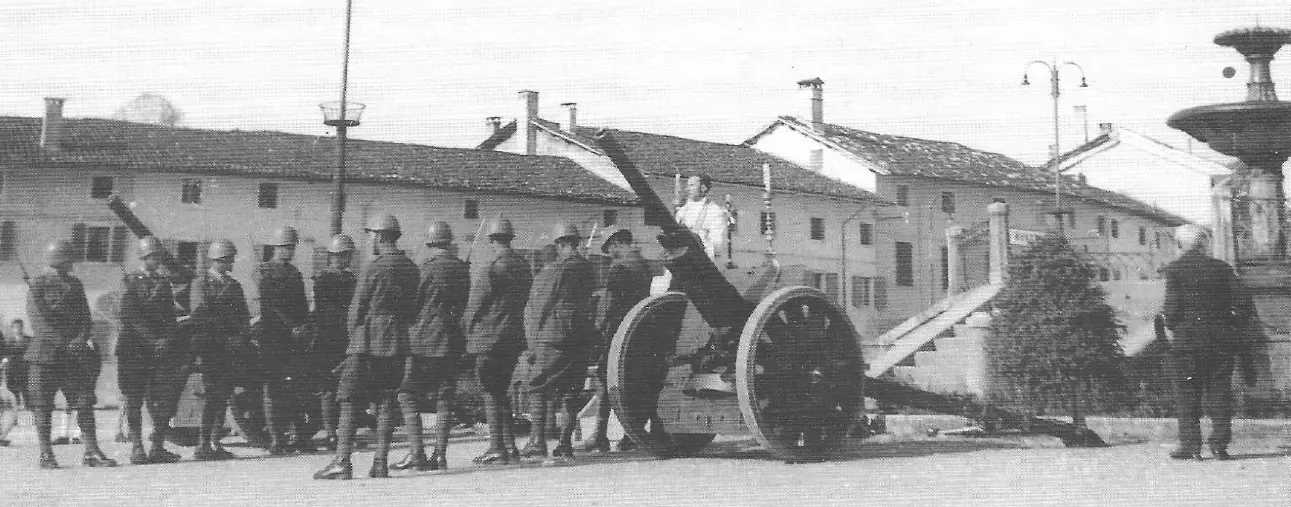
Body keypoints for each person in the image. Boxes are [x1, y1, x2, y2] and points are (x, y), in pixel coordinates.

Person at [314, 214, 420, 480]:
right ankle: (381, 463)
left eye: (372, 235)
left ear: (380, 236)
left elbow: (356, 310)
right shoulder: (410, 267)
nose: (370, 239)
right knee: (386, 401)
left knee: (349, 398)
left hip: (367, 341)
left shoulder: (375, 268)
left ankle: (342, 461)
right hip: (398, 342)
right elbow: (413, 308)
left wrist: (354, 339)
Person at [1161, 224, 1262, 460]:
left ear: (1179, 245)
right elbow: (1244, 303)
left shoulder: (1175, 270)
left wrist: (1173, 325)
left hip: (1187, 343)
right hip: (1220, 341)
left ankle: (1191, 446)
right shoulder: (1222, 268)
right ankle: (1219, 445)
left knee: (1186, 393)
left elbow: (1172, 310)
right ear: (1203, 244)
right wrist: (1230, 324)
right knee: (1219, 391)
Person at [26, 240, 116, 468]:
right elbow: (40, 324)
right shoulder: (37, 285)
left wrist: (80, 338)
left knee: (84, 402)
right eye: (68, 261)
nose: (71, 266)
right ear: (59, 260)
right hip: (45, 355)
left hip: (72, 355)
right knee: (43, 406)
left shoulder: (75, 285)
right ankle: (46, 454)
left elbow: (86, 317)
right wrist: (66, 343)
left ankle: (92, 451)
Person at [393, 221, 469, 472]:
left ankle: (417, 452)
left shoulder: (425, 269)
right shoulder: (461, 269)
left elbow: (413, 303)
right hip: (451, 339)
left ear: (429, 243)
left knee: (406, 394)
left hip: (423, 339)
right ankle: (440, 454)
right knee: (445, 396)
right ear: (449, 242)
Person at [518, 222, 596, 460]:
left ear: (561, 244)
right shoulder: (587, 268)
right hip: (581, 336)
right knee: (571, 389)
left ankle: (537, 440)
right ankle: (564, 443)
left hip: (555, 336)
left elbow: (539, 307)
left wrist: (532, 344)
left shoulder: (555, 270)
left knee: (537, 383)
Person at [464, 217, 532, 465]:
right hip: (513, 338)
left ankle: (495, 446)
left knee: (491, 393)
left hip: (489, 338)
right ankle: (510, 446)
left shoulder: (493, 267)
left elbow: (475, 305)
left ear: (492, 240)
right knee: (501, 391)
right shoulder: (523, 266)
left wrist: (466, 330)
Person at [118, 236, 188, 465]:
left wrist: (166, 338)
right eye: (152, 256)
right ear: (143, 257)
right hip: (134, 348)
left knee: (167, 398)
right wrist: (153, 339)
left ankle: (157, 446)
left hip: (160, 348)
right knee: (134, 400)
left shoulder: (163, 282)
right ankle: (137, 448)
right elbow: (131, 315)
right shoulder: (130, 280)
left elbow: (170, 315)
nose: (157, 260)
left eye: (158, 256)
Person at [586, 228, 652, 452]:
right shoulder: (642, 264)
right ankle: (630, 435)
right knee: (635, 384)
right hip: (640, 331)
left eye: (609, 248)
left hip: (617, 332)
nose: (609, 253)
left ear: (615, 244)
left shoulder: (619, 267)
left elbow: (611, 303)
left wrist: (598, 327)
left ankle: (600, 435)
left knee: (604, 381)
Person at [186, 240, 250, 460]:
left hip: (231, 349)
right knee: (212, 396)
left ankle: (215, 441)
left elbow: (244, 317)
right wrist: (225, 335)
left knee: (223, 396)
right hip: (211, 347)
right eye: (224, 260)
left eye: (230, 260)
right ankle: (203, 443)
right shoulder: (200, 284)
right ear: (214, 261)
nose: (229, 264)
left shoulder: (234, 286)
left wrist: (239, 338)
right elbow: (200, 314)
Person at [254, 225, 310, 454]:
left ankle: (298, 436)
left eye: (292, 247)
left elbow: (302, 303)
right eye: (286, 247)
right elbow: (270, 305)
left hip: (294, 339)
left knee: (295, 387)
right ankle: (277, 439)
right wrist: (292, 327)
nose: (290, 251)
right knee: (273, 388)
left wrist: (304, 324)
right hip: (274, 337)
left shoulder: (295, 273)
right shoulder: (265, 271)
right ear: (276, 248)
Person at [308, 234, 358, 451]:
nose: (345, 259)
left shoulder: (351, 279)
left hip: (346, 338)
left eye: (347, 256)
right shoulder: (322, 279)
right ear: (332, 256)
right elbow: (324, 310)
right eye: (341, 256)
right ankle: (330, 433)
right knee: (328, 387)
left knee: (345, 388)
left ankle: (342, 432)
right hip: (328, 339)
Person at [674, 175, 732, 261]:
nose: (687, 189)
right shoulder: (682, 211)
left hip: (703, 264)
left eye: (692, 185)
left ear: (703, 188)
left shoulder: (715, 211)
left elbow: (718, 243)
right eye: (687, 185)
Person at [2, 319, 28, 409]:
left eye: (20, 327)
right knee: (11, 386)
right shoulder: (8, 342)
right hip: (13, 368)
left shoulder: (29, 340)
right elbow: (5, 354)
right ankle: (17, 403)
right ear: (13, 329)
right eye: (16, 327)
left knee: (25, 386)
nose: (19, 329)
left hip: (25, 367)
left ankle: (26, 404)